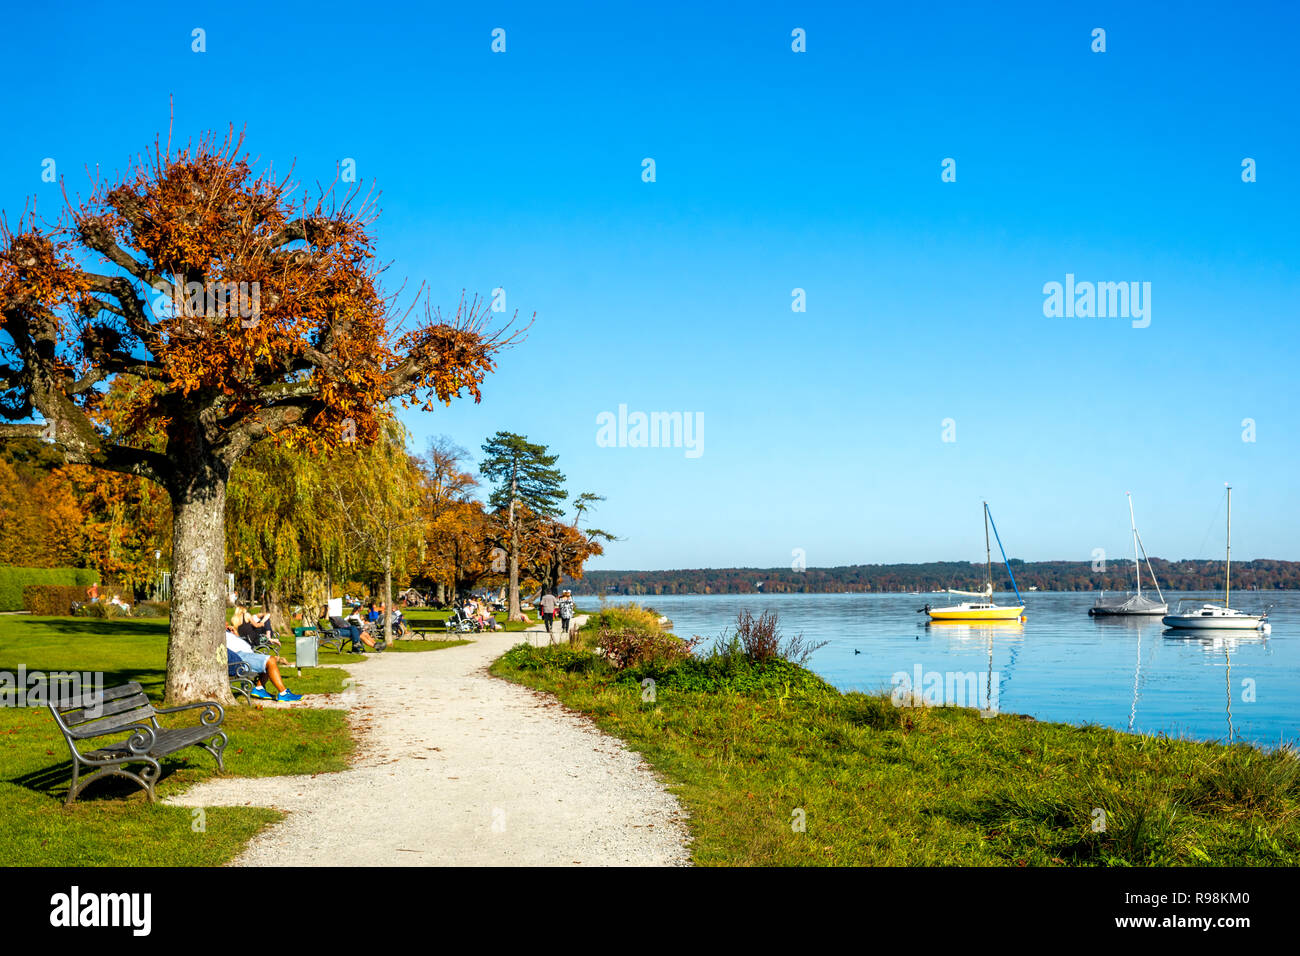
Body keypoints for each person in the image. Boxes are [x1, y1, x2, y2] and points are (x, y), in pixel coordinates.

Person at [226, 625, 301, 701]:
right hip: (239, 657)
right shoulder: (219, 633)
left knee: (268, 660)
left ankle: (259, 688)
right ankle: (284, 694)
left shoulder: (225, 632)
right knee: (270, 660)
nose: (226, 624)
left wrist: (235, 633)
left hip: (246, 654)